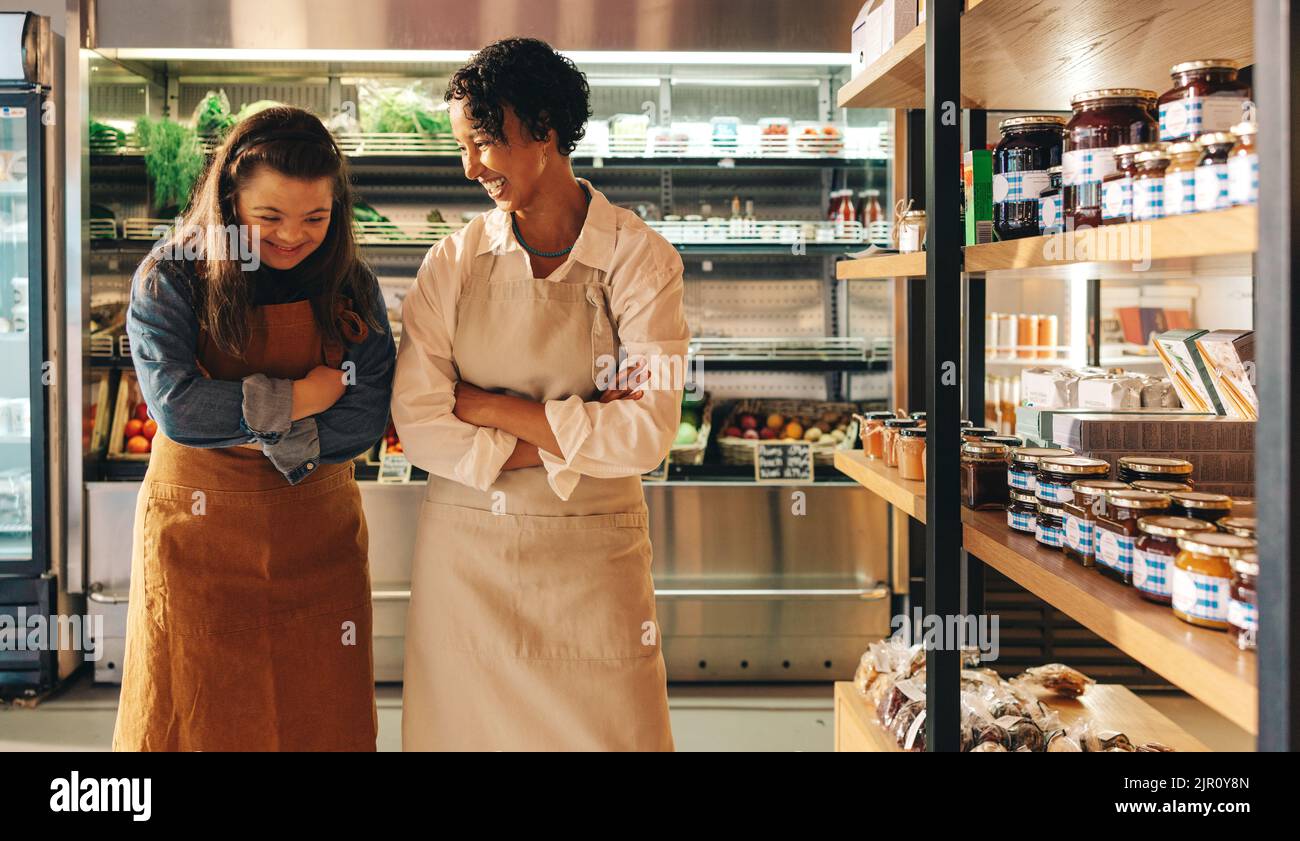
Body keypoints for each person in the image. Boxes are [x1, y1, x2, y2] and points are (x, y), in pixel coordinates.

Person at [393, 38, 689, 751]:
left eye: (486, 143)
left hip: (593, 570)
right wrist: (578, 438)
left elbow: (648, 432)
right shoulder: (452, 263)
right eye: (463, 148)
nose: (471, 168)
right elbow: (421, 424)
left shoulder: (640, 259)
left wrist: (493, 408)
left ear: (546, 129)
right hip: (468, 569)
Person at [113, 106, 395, 751]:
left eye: (315, 218)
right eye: (268, 218)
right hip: (198, 537)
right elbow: (180, 410)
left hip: (316, 538)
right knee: (193, 712)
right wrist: (304, 395)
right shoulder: (173, 276)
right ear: (228, 199)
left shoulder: (349, 282)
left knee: (320, 715)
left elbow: (365, 416)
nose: (293, 236)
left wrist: (254, 419)